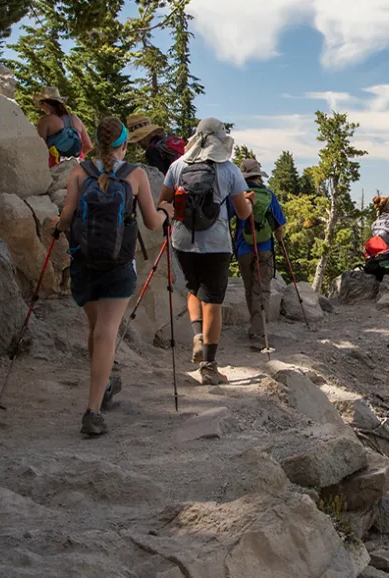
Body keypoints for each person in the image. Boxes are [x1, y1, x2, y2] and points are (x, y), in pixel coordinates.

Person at [55, 117, 164, 436]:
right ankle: (92, 409)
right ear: (125, 144)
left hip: (84, 261)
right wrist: (167, 212)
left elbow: (66, 217)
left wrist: (57, 227)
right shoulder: (135, 175)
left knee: (96, 329)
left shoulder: (79, 172)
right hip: (118, 263)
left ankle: (102, 389)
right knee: (106, 331)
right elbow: (152, 222)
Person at [158, 117, 253, 385]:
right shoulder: (229, 170)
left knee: (193, 290)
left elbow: (162, 203)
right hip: (216, 243)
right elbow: (244, 213)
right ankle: (209, 367)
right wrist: (244, 200)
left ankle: (198, 335)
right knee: (213, 300)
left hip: (183, 240)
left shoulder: (177, 166)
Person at [234, 158, 287, 350]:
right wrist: (280, 241)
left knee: (250, 289)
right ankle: (259, 333)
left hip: (243, 248)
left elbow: (230, 216)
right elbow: (279, 226)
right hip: (264, 249)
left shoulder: (238, 195)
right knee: (262, 290)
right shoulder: (269, 195)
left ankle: (255, 327)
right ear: (258, 175)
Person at [34, 86, 92, 167]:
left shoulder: (45, 121)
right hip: (78, 167)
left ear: (45, 104)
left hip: (55, 167)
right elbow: (88, 146)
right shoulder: (75, 118)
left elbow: (38, 149)